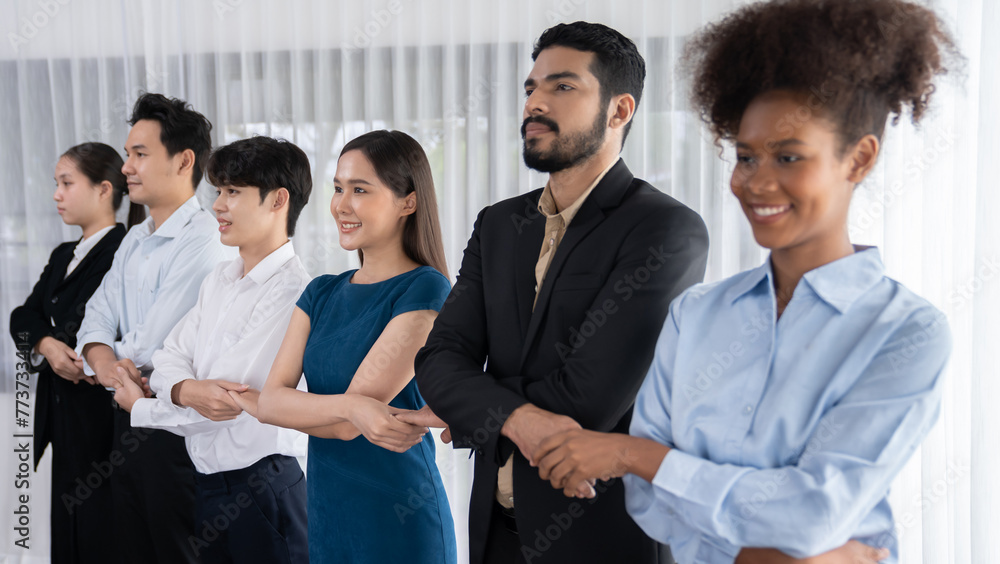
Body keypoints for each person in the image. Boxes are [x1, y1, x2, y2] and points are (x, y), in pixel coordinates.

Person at [531, 2, 959, 563]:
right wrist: (755, 553)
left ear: (859, 159)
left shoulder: (906, 331)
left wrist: (635, 455)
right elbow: (651, 506)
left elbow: (814, 513)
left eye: (787, 156)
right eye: (746, 156)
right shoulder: (697, 315)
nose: (757, 183)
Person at [400, 21, 709, 564]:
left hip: (599, 538)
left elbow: (590, 399)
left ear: (619, 110)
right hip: (493, 534)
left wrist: (476, 405)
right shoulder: (498, 225)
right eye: (530, 88)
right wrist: (514, 415)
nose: (535, 103)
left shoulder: (665, 228)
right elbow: (438, 361)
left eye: (562, 87)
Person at [248, 130, 457, 563]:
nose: (341, 205)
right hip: (327, 514)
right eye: (338, 188)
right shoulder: (320, 292)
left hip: (398, 517)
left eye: (360, 190)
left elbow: (344, 426)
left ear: (408, 202)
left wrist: (327, 409)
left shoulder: (425, 289)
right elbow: (271, 402)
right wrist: (351, 407)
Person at [111, 136, 313, 563]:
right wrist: (185, 389)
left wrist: (141, 407)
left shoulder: (296, 293)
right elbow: (169, 358)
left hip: (264, 486)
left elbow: (227, 402)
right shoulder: (219, 279)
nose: (218, 205)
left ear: (279, 200)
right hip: (208, 483)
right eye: (219, 191)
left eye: (233, 192)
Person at [76, 93, 230, 563]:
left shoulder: (205, 237)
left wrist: (108, 360)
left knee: (177, 549)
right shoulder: (135, 240)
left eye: (140, 154)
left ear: (184, 161)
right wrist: (106, 365)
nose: (126, 167)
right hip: (127, 412)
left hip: (174, 427)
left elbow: (154, 344)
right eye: (128, 154)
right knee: (132, 547)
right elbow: (95, 318)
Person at [9, 142, 144, 564]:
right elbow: (22, 316)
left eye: (67, 183)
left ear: (105, 190)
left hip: (102, 420)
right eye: (56, 184)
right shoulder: (62, 255)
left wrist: (56, 337)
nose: (56, 194)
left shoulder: (125, 252)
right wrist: (47, 345)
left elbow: (89, 326)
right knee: (66, 537)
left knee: (101, 533)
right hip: (61, 417)